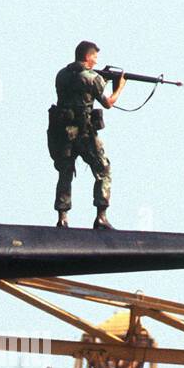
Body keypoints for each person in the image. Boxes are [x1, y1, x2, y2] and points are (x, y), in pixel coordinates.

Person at [48, 40, 126, 229]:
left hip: (63, 133)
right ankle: (101, 216)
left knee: (65, 172)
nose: (96, 62)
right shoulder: (92, 78)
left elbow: (78, 91)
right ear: (87, 56)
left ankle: (62, 217)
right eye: (95, 57)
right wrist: (119, 87)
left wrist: (102, 81)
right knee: (103, 169)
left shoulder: (62, 74)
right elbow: (107, 103)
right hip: (84, 134)